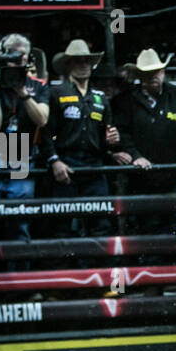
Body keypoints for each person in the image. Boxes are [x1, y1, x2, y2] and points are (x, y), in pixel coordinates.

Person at [113, 48, 176, 240]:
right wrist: (136, 156)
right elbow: (121, 133)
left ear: (163, 72)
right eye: (146, 73)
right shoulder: (125, 101)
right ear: (139, 75)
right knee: (148, 229)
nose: (152, 76)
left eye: (156, 71)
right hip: (142, 177)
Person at [0, 35, 51, 244]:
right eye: (13, 58)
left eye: (22, 58)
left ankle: (21, 262)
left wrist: (22, 91)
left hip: (22, 157)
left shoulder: (37, 85)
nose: (18, 63)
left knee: (19, 219)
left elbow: (42, 119)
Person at [43, 40, 114, 237]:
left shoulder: (100, 97)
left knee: (101, 223)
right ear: (68, 65)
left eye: (86, 61)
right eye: (77, 61)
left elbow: (108, 136)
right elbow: (46, 132)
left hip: (95, 166)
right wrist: (54, 161)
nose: (83, 65)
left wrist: (112, 141)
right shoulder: (56, 93)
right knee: (62, 225)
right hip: (66, 163)